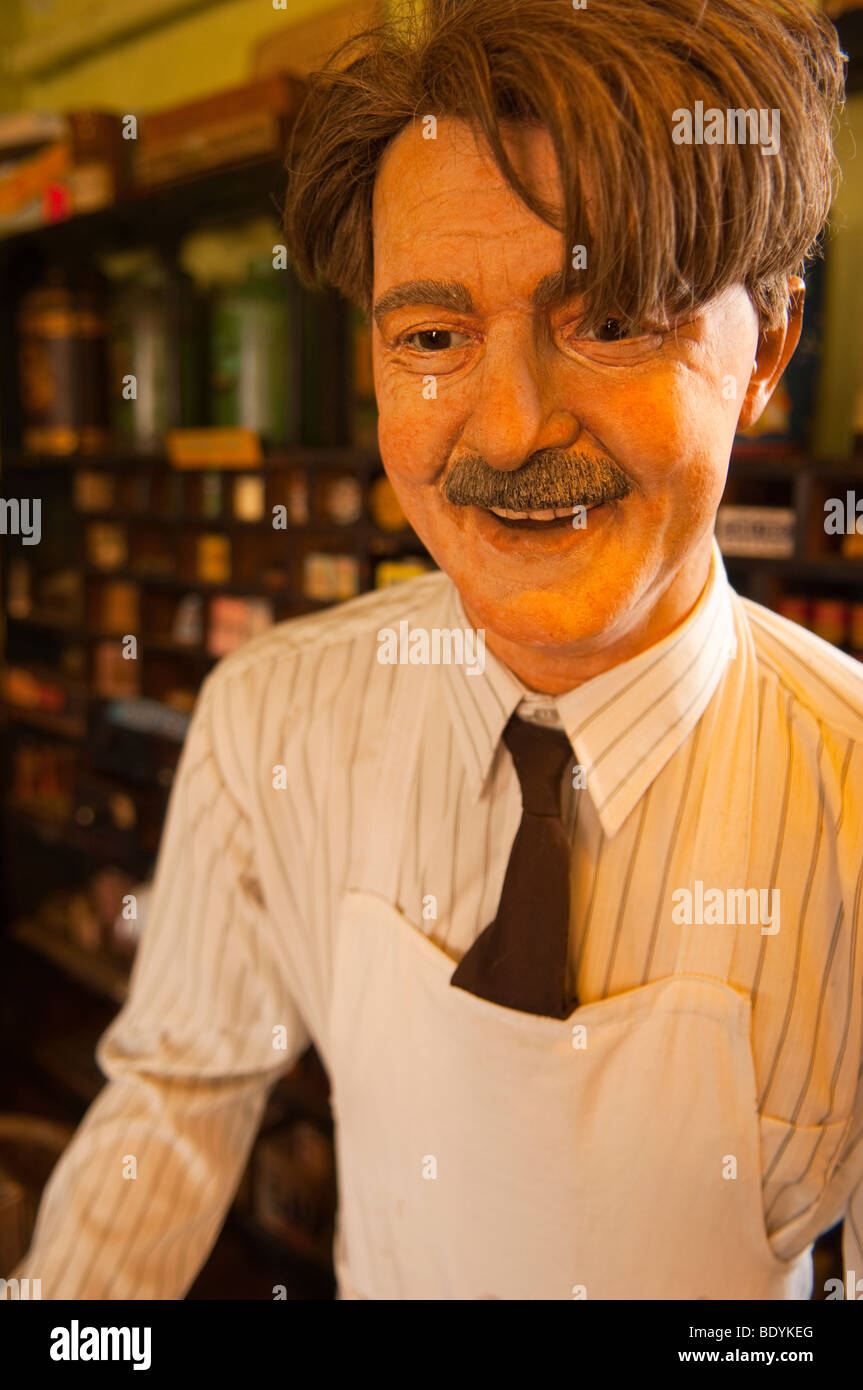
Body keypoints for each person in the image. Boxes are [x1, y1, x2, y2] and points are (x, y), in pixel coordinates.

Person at [10, 0, 863, 1300]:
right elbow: (178, 1095)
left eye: (616, 317)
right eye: (431, 336)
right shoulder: (272, 722)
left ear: (771, 347)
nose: (511, 429)